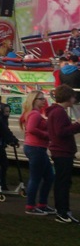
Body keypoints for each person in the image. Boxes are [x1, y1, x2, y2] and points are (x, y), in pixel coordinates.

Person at [46, 84, 80, 223]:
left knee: (63, 182)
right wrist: (77, 125)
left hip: (61, 151)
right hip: (62, 151)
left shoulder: (56, 111)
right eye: (72, 97)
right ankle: (62, 212)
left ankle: (62, 210)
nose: (74, 99)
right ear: (68, 97)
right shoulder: (59, 112)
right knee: (63, 183)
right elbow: (61, 132)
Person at [19, 90, 55, 215]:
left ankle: (42, 204)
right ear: (33, 100)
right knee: (36, 178)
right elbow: (31, 129)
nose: (43, 101)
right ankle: (30, 206)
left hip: (36, 148)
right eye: (41, 99)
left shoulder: (34, 113)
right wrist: (47, 135)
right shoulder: (35, 114)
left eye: (43, 98)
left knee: (49, 177)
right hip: (35, 148)